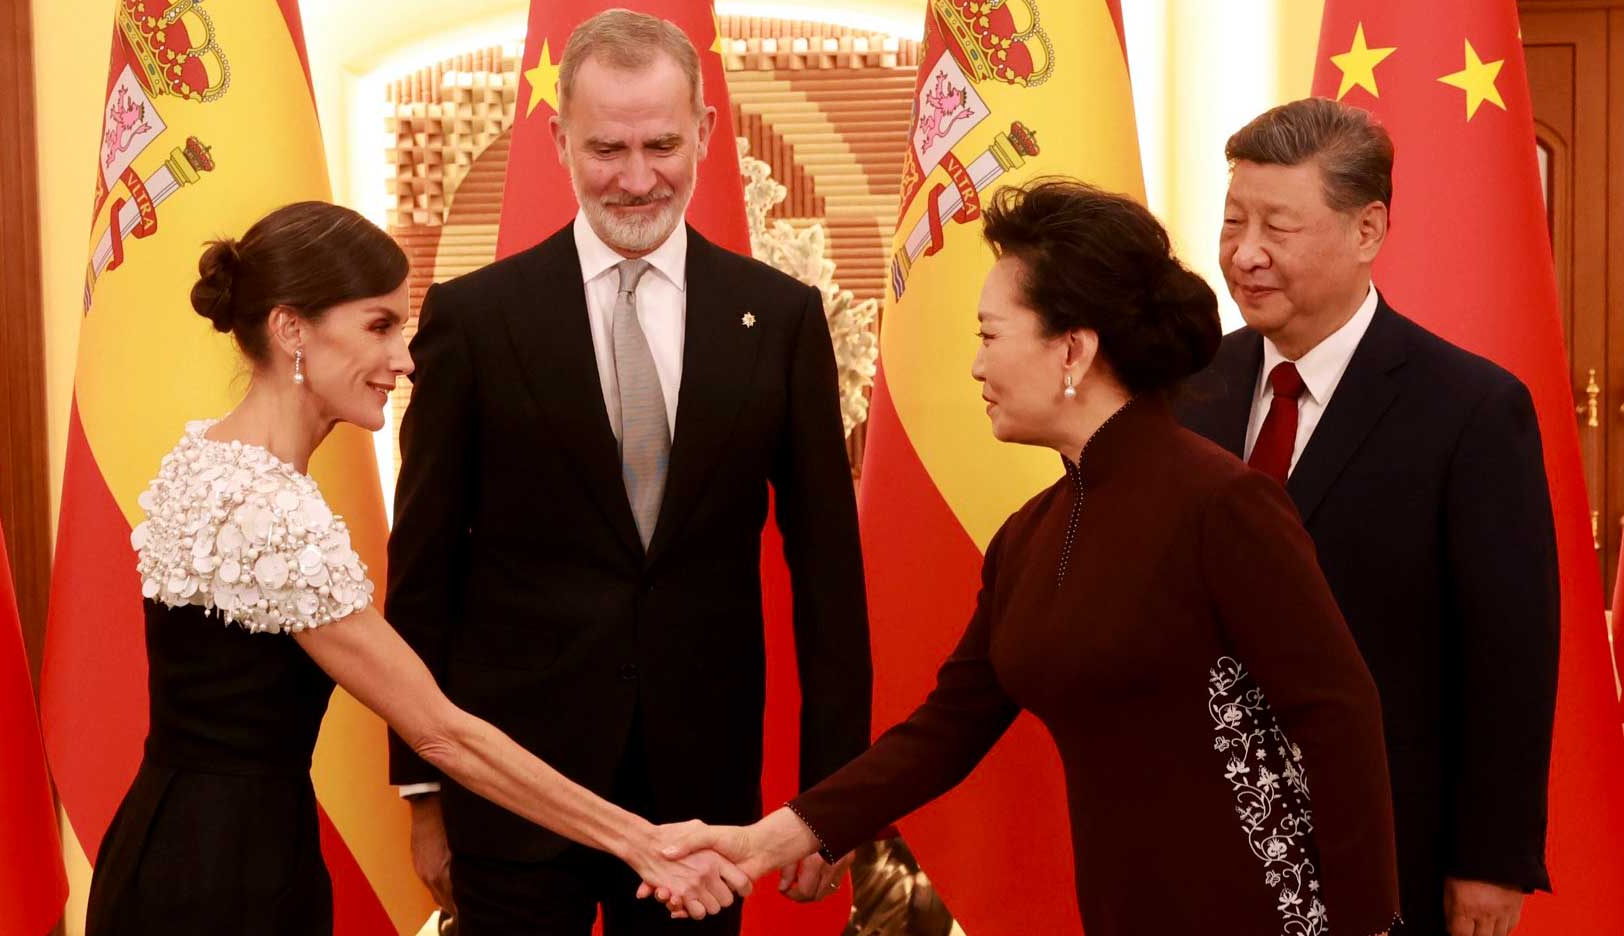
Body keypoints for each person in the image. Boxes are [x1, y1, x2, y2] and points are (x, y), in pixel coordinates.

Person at [659, 179, 1403, 936]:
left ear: (1073, 348)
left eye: (989, 335)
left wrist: (1366, 925)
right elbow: (945, 732)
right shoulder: (1030, 534)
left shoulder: (1222, 505)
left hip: (1267, 914)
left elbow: (1340, 716)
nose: (977, 368)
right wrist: (765, 841)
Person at [84, 201, 751, 936]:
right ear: (291, 329)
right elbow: (442, 734)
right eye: (380, 326)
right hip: (230, 877)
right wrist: (641, 841)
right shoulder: (271, 512)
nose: (405, 358)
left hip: (160, 844)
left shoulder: (203, 460)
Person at [386, 10, 872, 934]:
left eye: (662, 144)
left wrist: (827, 800)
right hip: (515, 797)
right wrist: (422, 792)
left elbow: (828, 576)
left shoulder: (780, 320)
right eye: (607, 146)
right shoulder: (474, 322)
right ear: (558, 136)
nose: (638, 177)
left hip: (701, 807)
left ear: (707, 134)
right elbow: (423, 570)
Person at [1174, 98, 1560, 936]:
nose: (1245, 254)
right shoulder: (1186, 388)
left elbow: (1510, 657)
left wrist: (1491, 860)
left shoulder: (1470, 410)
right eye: (1234, 220)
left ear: (1367, 230)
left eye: (1278, 226)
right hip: (1199, 846)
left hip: (1387, 847)